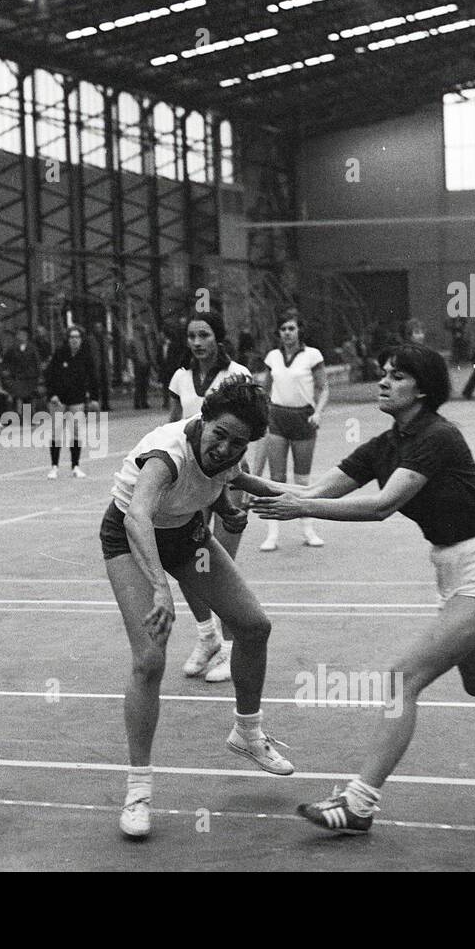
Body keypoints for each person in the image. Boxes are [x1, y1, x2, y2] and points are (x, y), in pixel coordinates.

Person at [251, 343, 475, 833]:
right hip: (452, 571)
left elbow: (381, 506)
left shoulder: (437, 436)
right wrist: (234, 476)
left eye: (397, 376)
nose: (384, 381)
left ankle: (359, 803)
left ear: (423, 389)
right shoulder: (384, 446)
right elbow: (310, 492)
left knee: (399, 679)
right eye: (384, 373)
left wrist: (302, 510)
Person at [104, 377, 293, 838]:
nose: (225, 447)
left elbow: (230, 477)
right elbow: (137, 517)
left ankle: (247, 733)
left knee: (253, 625)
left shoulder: (229, 453)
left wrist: (230, 507)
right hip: (131, 539)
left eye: (238, 442)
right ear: (202, 420)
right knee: (149, 660)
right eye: (219, 435)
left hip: (187, 536)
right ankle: (139, 791)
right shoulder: (168, 454)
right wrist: (160, 590)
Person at [165, 313, 254, 685]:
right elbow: (169, 426)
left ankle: (232, 652)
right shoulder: (181, 378)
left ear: (218, 338)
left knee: (220, 568)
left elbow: (249, 429)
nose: (198, 342)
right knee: (190, 563)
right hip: (191, 479)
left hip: (229, 476)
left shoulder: (238, 375)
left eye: (204, 335)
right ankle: (207, 638)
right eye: (192, 335)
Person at [250, 311, 329, 553]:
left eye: (291, 329)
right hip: (277, 417)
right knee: (276, 478)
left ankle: (308, 529)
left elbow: (323, 388)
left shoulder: (312, 355)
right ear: (279, 333)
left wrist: (318, 412)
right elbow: (264, 390)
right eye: (283, 329)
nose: (287, 333)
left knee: (302, 478)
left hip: (303, 417)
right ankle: (272, 534)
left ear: (299, 331)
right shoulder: (273, 356)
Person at [44, 325, 100, 479]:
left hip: (77, 399)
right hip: (59, 400)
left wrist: (94, 398)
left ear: (81, 340)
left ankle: (75, 466)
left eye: (77, 337)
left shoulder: (86, 356)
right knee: (56, 432)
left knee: (76, 432)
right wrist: (52, 395)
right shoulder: (59, 354)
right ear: (67, 339)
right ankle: (54, 466)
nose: (74, 340)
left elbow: (93, 377)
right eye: (72, 337)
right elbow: (50, 375)